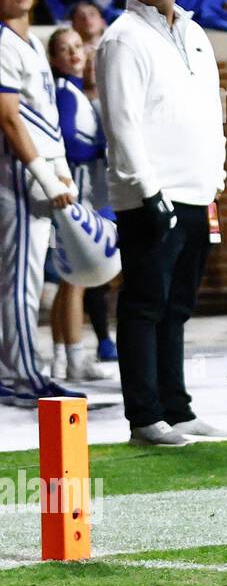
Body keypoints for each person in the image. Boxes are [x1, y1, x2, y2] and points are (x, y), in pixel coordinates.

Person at [97, 0, 227, 443]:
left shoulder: (194, 30)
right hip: (152, 195)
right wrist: (148, 190)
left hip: (196, 192)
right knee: (145, 304)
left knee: (177, 306)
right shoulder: (122, 37)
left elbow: (211, 108)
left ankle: (177, 406)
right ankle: (144, 415)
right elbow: (122, 123)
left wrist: (214, 177)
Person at [0, 0, 83, 407]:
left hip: (38, 171)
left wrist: (61, 166)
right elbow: (9, 120)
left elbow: (43, 117)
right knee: (21, 280)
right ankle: (23, 374)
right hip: (16, 175)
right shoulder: (3, 43)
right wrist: (45, 176)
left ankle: (16, 369)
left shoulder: (31, 41)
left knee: (26, 277)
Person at [48, 27, 114, 384]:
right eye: (64, 49)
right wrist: (105, 146)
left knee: (69, 280)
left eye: (77, 47)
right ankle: (74, 357)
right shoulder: (63, 91)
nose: (74, 53)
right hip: (79, 194)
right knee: (75, 280)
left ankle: (62, 356)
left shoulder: (74, 90)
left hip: (83, 192)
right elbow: (70, 143)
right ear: (54, 59)